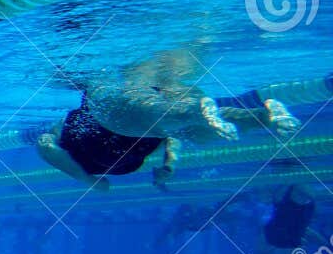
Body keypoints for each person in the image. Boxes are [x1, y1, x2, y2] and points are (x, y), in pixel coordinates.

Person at [35, 53, 298, 188]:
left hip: (118, 138)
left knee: (179, 127)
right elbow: (45, 145)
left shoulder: (94, 107)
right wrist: (169, 165)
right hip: (130, 134)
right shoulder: (90, 105)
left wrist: (89, 181)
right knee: (176, 121)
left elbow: (44, 144)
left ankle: (260, 119)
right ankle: (259, 116)